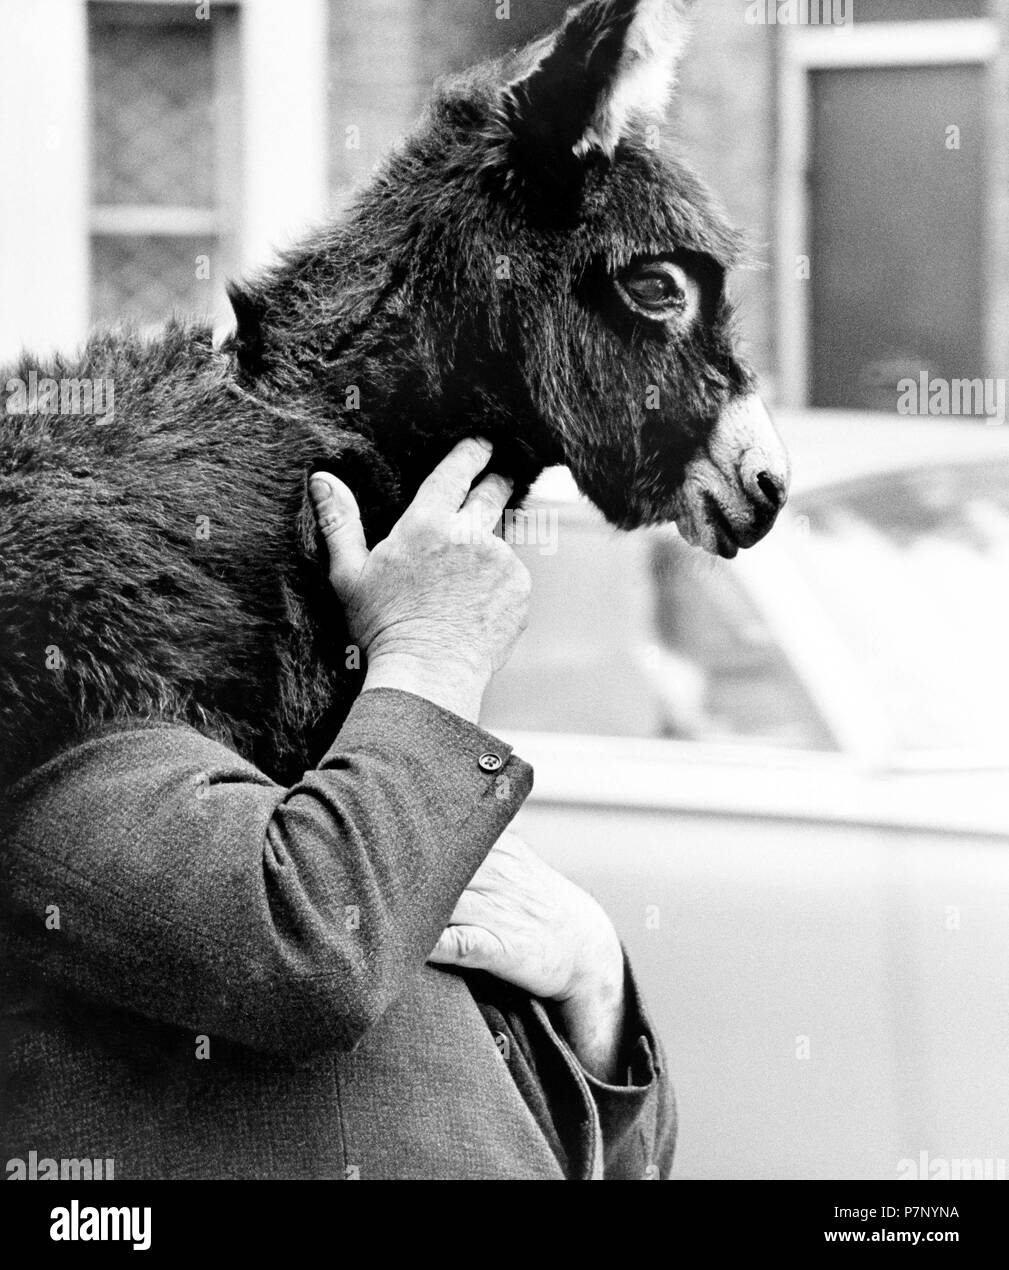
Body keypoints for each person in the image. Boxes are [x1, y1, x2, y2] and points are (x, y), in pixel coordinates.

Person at [1, 438, 675, 1180]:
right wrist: (429, 653)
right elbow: (310, 955)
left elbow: (626, 1167)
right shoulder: (63, 772)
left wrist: (591, 970)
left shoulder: (387, 787)